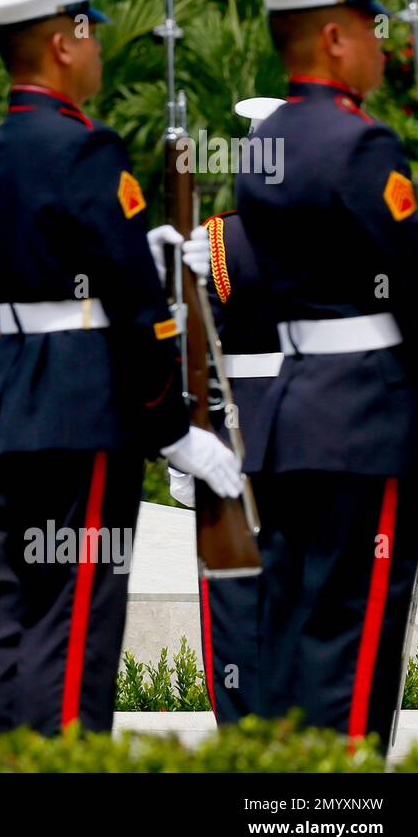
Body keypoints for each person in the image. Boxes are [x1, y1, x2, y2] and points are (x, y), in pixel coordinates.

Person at [0, 0, 242, 735]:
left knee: (20, 610)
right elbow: (133, 304)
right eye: (89, 39)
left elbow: (57, 269)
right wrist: (171, 424)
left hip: (18, 403)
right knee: (78, 616)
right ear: (62, 43)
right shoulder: (84, 146)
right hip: (82, 409)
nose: (98, 54)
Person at [238, 0, 418, 752]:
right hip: (367, 419)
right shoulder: (362, 145)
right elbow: (413, 292)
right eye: (370, 27)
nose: (383, 45)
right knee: (356, 638)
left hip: (292, 413)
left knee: (292, 625)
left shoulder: (264, 143)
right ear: (332, 37)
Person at [170, 97, 284, 724]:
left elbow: (196, 349)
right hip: (321, 427)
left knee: (236, 590)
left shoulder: (217, 240)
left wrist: (190, 441)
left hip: (234, 428)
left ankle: (244, 725)